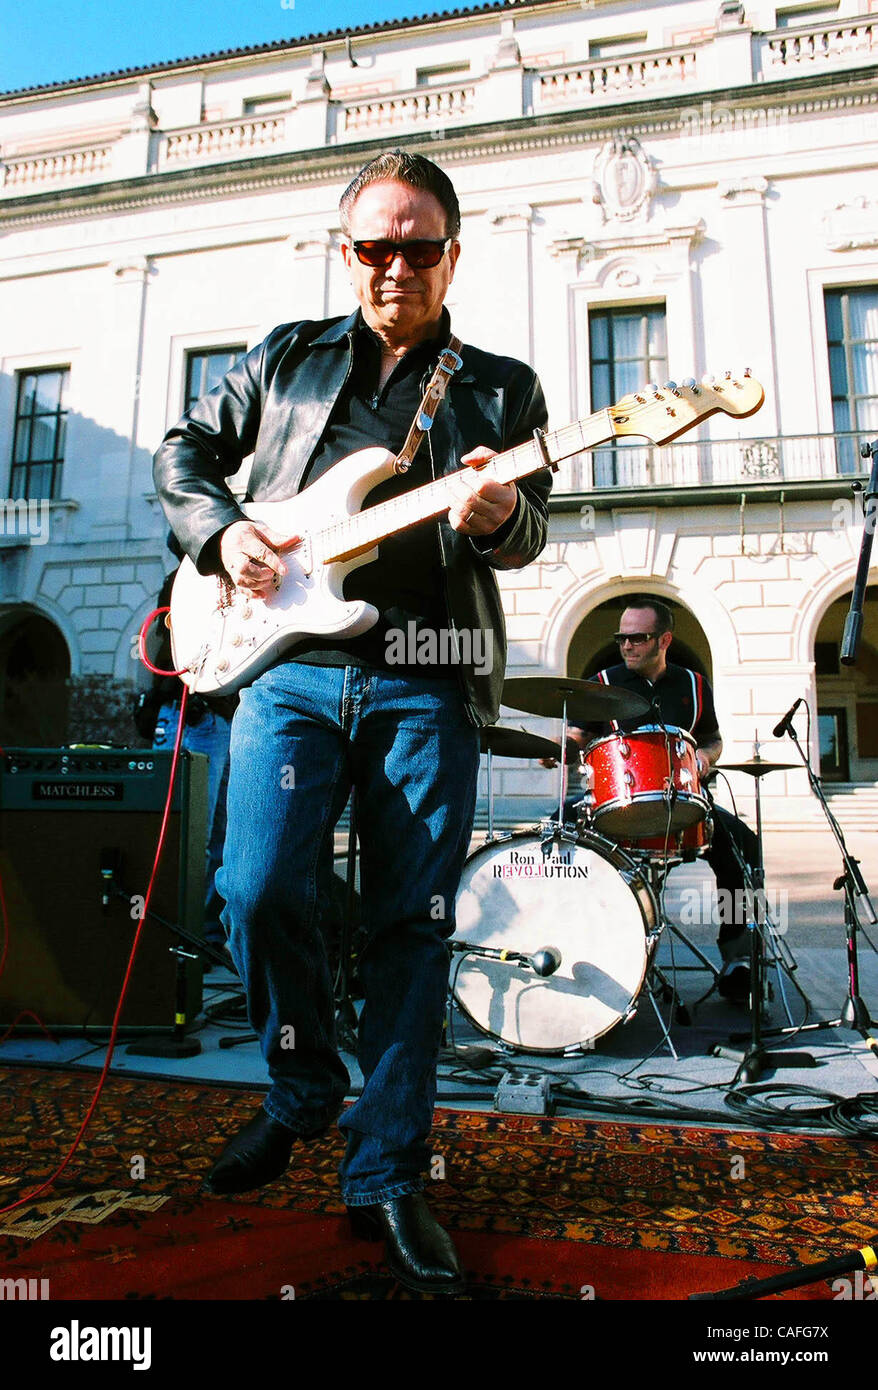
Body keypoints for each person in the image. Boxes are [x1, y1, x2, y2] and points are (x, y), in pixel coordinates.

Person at [152, 150, 550, 1294]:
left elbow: (528, 537)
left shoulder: (499, 386)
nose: (395, 266)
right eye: (375, 246)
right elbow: (186, 453)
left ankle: (385, 1172)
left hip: (430, 678)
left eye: (418, 246)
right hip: (288, 669)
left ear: (450, 256)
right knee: (256, 886)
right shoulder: (285, 356)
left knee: (408, 927)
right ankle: (301, 1081)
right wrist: (221, 536)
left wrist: (496, 511)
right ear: (349, 253)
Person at [555, 597, 758, 1003]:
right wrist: (557, 746)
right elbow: (579, 736)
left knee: (744, 846)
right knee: (554, 839)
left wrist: (705, 756)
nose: (626, 646)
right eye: (621, 638)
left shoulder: (694, 685)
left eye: (637, 638)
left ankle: (738, 958)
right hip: (615, 803)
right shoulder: (602, 681)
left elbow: (713, 738)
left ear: (664, 639)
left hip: (683, 803)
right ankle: (578, 954)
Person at [135, 533, 234, 956]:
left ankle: (206, 931)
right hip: (190, 717)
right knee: (192, 828)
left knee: (222, 835)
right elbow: (163, 648)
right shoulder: (179, 583)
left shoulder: (225, 580)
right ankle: (183, 929)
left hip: (222, 720)